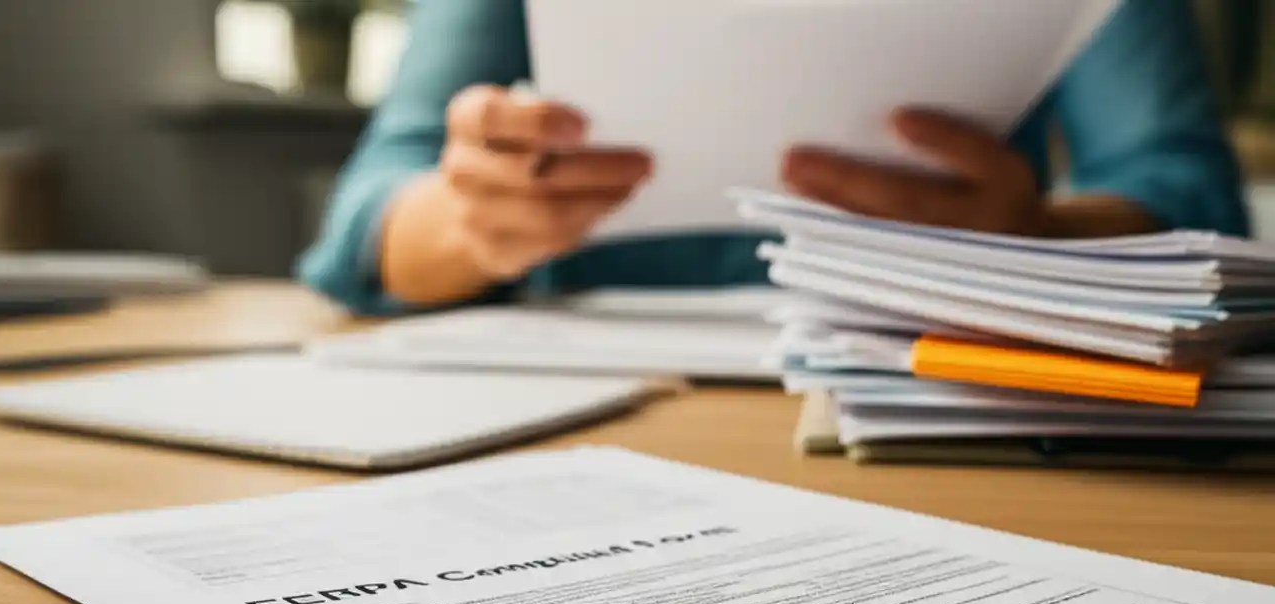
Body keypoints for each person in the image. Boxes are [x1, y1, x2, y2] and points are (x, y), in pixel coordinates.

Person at [299, 0, 1251, 315]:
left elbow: (1190, 193)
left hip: (941, 387)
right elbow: (365, 227)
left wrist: (1036, 233)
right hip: (596, 405)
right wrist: (469, 221)